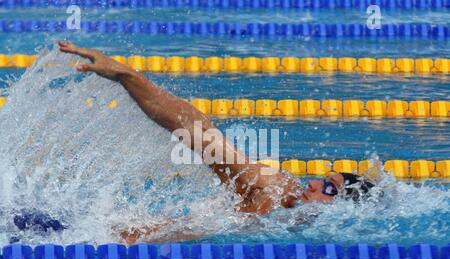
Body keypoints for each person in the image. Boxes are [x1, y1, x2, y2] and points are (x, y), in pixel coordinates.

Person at [57, 41, 375, 244]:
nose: (316, 184)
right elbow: (201, 134)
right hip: (100, 237)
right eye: (325, 180)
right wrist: (129, 77)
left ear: (344, 208)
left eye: (330, 189)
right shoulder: (275, 190)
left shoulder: (295, 219)